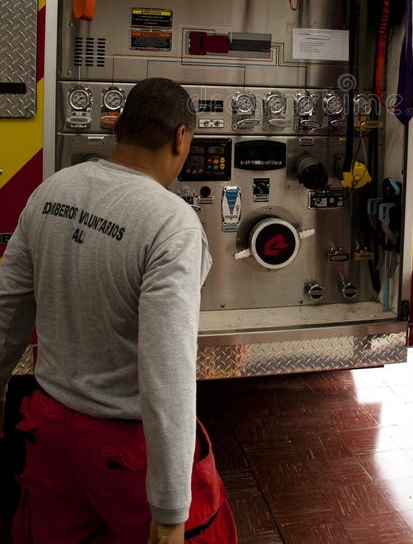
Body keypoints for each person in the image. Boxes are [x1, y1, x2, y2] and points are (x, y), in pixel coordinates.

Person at [0, 77, 237, 543]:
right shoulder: (171, 223)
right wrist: (169, 511)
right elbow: (167, 368)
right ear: (181, 138)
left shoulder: (51, 191)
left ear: (118, 127)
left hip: (49, 431)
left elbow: (7, 310)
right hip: (126, 449)